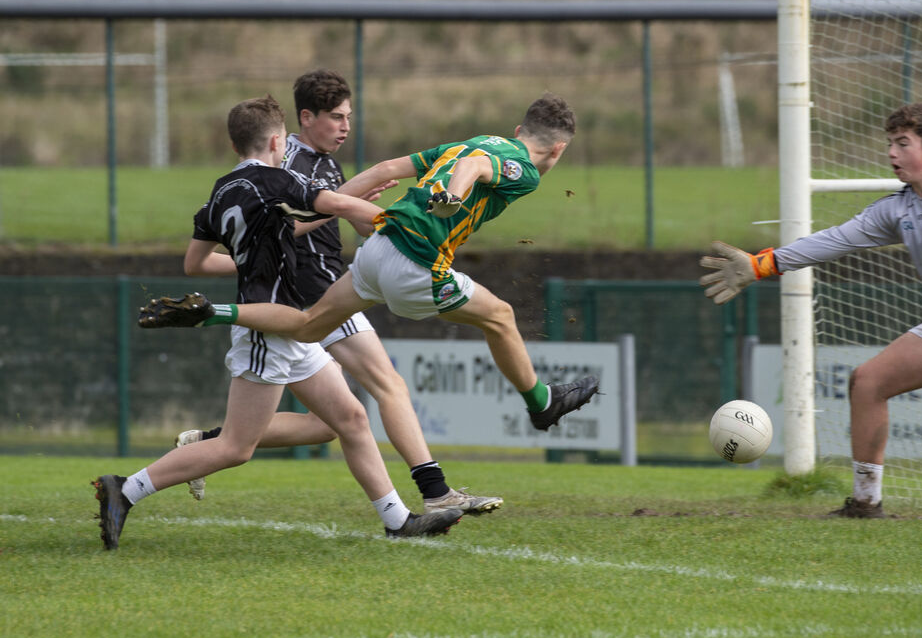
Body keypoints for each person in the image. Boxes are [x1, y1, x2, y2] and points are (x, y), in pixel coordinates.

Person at [93, 96, 462, 550]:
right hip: (269, 327)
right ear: (275, 140)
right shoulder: (278, 179)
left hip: (291, 323)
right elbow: (343, 208)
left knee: (348, 417)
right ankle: (125, 489)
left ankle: (397, 520)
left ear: (234, 142)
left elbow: (197, 263)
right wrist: (404, 226)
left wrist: (250, 267)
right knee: (235, 448)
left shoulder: (223, 189)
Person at [138, 93, 599, 436]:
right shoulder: (523, 166)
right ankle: (540, 405)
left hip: (375, 250)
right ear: (557, 150)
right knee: (500, 317)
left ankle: (209, 313)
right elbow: (478, 167)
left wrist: (320, 211)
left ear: (518, 129)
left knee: (307, 326)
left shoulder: (474, 140)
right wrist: (450, 196)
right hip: (417, 261)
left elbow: (383, 171)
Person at [698, 102, 922, 522]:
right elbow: (835, 239)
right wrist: (763, 264)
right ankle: (865, 502)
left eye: (902, 143)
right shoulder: (898, 209)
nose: (892, 153)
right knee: (868, 381)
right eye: (890, 143)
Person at [175, 69, 502, 517]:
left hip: (327, 280)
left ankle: (206, 444)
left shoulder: (326, 162)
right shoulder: (284, 160)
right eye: (336, 117)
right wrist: (361, 204)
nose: (345, 126)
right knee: (388, 384)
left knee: (330, 424)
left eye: (349, 116)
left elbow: (330, 217)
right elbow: (290, 226)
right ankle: (435, 491)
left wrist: (360, 213)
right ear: (305, 119)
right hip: (312, 289)